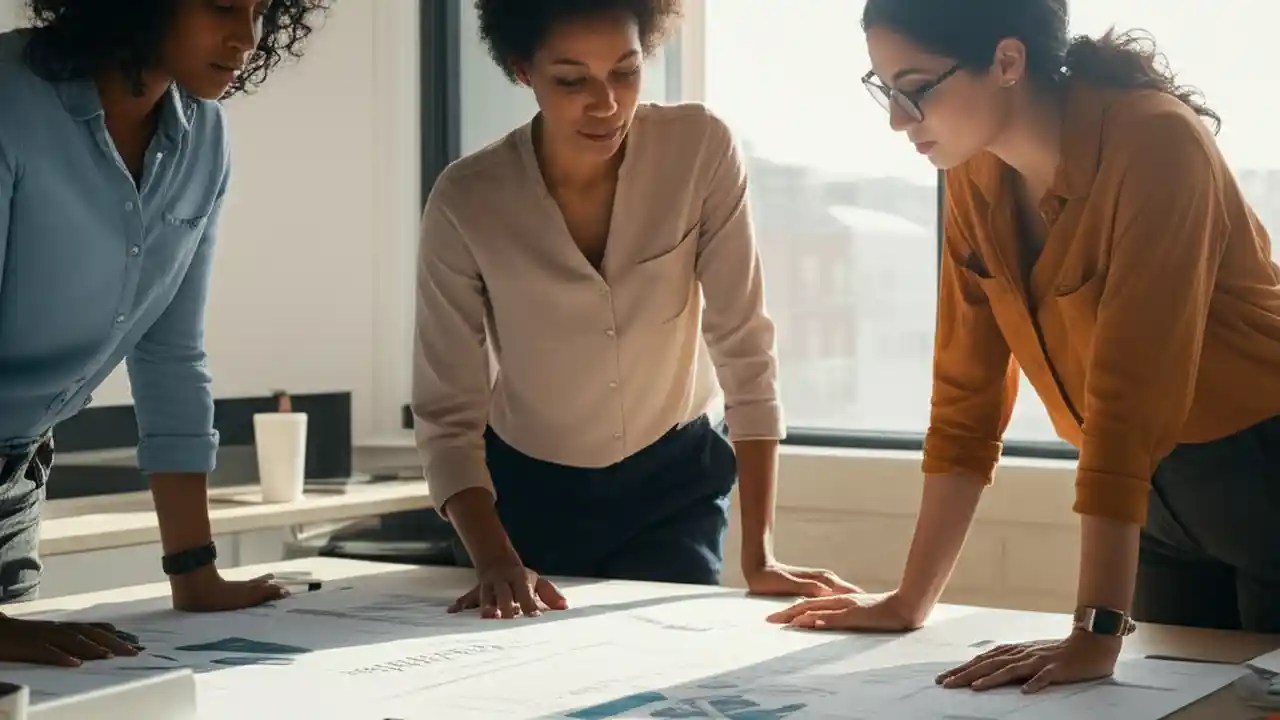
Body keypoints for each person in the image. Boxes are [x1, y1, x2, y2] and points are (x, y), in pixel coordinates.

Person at [768, 0, 1280, 695]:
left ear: (1008, 61)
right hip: (1154, 505)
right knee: (1166, 707)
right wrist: (908, 602)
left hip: (1260, 467)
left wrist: (1094, 632)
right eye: (884, 90)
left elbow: (1131, 400)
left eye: (915, 88)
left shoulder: (1156, 141)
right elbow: (964, 401)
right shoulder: (973, 175)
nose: (897, 118)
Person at [413, 0, 857, 621]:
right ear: (522, 70)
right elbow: (446, 411)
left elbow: (745, 349)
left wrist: (759, 555)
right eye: (572, 80)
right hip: (525, 498)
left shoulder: (700, 149)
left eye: (626, 72)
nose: (607, 103)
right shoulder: (467, 199)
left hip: (674, 484)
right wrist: (493, 558)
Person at [0, 0, 326, 666]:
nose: (245, 37)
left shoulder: (203, 137)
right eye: (221, 6)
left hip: (17, 479)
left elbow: (171, 354)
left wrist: (195, 573)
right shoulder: (9, 101)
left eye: (260, 10)